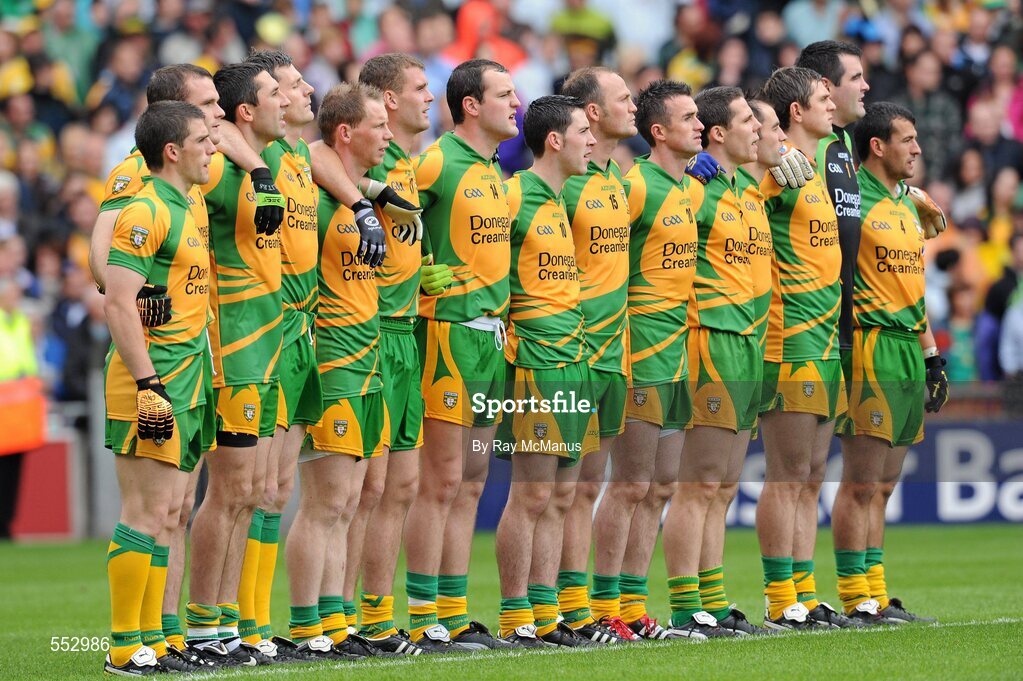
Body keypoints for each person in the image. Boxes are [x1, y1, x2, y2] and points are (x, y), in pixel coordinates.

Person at [89, 63, 236, 670]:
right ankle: (125, 646)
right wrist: (148, 383)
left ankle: (157, 636)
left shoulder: (187, 200)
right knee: (146, 512)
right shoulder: (144, 204)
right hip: (155, 373)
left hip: (189, 370)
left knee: (172, 511)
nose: (215, 143)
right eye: (204, 137)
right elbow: (118, 298)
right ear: (173, 148)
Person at [402, 59, 520, 650]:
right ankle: (423, 617)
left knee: (472, 481)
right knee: (442, 480)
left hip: (491, 340)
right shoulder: (436, 162)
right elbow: (382, 217)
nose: (516, 101)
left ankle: (451, 612)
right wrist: (420, 274)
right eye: (504, 93)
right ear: (470, 105)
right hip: (447, 333)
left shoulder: (496, 171)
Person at [283, 81, 393, 660]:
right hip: (334, 360)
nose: (389, 135)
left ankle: (336, 621)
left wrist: (368, 196)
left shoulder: (353, 190)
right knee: (325, 503)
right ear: (347, 131)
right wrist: (358, 200)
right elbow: (312, 152)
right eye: (379, 125)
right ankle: (307, 627)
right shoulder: (318, 183)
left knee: (351, 502)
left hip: (368, 354)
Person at [347, 52, 451, 656]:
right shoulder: (372, 158)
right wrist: (370, 188)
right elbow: (318, 170)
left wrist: (423, 272)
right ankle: (339, 618)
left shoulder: (409, 164)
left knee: (402, 487)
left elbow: (408, 234)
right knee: (366, 488)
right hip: (370, 334)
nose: (428, 96)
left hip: (408, 330)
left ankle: (378, 616)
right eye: (418, 88)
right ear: (386, 98)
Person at [185, 61, 288, 665]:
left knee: (253, 491)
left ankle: (227, 623)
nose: (289, 100)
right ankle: (203, 627)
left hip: (268, 343)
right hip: (230, 350)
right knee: (228, 491)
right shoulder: (216, 164)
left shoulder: (266, 165)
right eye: (277, 92)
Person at [833, 102, 946, 624]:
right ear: (877, 146)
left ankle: (877, 593)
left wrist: (932, 356)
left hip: (906, 348)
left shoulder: (908, 204)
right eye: (907, 139)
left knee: (884, 485)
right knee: (860, 481)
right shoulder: (849, 200)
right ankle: (857, 598)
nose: (917, 148)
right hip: (870, 343)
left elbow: (913, 289)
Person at [493, 94, 600, 648]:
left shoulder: (559, 201)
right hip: (534, 362)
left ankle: (547, 611)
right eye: (583, 131)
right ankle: (515, 618)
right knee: (531, 496)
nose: (593, 140)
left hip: (573, 359)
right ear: (554, 140)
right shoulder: (514, 195)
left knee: (561, 496)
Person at [660, 86, 764, 638]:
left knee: (724, 484)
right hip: (710, 338)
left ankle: (714, 600)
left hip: (748, 342)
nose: (759, 129)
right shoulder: (694, 191)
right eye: (749, 120)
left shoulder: (746, 188)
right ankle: (683, 606)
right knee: (698, 481)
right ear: (720, 133)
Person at [234, 48, 320, 662]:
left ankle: (258, 627)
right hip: (255, 330)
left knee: (277, 486)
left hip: (298, 332)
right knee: (247, 487)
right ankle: (232, 624)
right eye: (290, 84)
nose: (304, 90)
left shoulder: (298, 156)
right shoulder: (254, 154)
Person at [610, 80, 701, 640]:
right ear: (659, 131)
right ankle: (605, 606)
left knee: (663, 485)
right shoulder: (636, 187)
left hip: (679, 350)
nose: (699, 125)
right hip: (642, 346)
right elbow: (603, 266)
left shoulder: (689, 189)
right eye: (688, 118)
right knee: (630, 483)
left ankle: (635, 606)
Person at [755, 66, 843, 631]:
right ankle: (778, 594)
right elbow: (742, 211)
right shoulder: (778, 163)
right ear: (795, 112)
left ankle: (806, 592)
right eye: (822, 98)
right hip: (790, 339)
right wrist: (767, 180)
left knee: (811, 473)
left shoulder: (821, 169)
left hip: (827, 335)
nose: (831, 106)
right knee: (786, 472)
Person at [556, 66, 640, 643]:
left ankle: (584, 607)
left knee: (588, 487)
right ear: (589, 111)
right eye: (623, 98)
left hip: (615, 352)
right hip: (567, 352)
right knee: (555, 489)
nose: (633, 105)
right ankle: (552, 609)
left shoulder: (617, 177)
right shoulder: (560, 182)